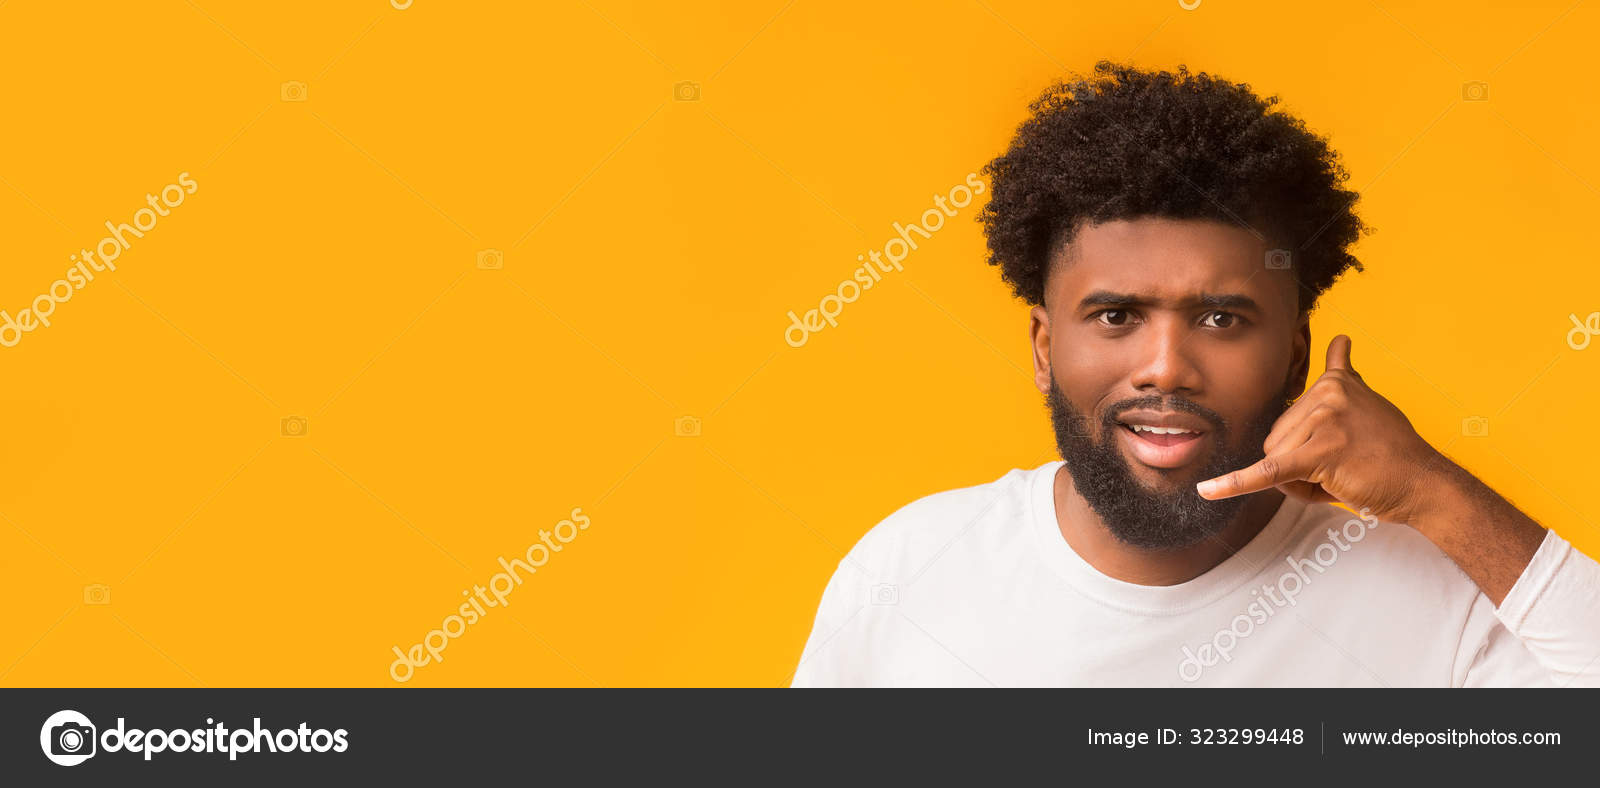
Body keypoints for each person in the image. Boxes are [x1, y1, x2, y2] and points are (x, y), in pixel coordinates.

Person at [791, 62, 1600, 687]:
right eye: (1116, 315)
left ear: (1296, 355)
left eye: (1221, 319)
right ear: (1043, 347)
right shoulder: (910, 572)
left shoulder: (1429, 598)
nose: (1166, 368)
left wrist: (1433, 489)